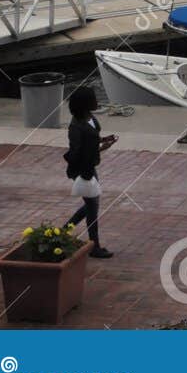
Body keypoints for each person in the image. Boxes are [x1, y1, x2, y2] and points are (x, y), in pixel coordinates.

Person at [63, 86, 116, 259]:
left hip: (90, 168)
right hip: (82, 170)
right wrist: (100, 149)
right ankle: (94, 246)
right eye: (93, 99)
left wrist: (102, 140)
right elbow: (78, 153)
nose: (97, 101)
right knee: (92, 208)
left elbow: (91, 139)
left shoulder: (90, 118)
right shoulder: (76, 127)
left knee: (91, 206)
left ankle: (64, 231)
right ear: (85, 104)